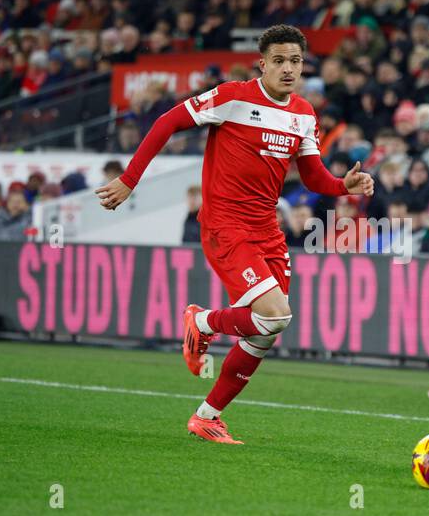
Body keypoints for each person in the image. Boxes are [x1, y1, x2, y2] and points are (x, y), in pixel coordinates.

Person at [95, 25, 374, 445]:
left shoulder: (303, 113)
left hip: (267, 230)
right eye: (278, 60)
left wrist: (341, 186)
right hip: (225, 225)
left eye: (295, 61)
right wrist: (130, 179)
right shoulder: (232, 97)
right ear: (262, 64)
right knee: (277, 313)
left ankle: (207, 416)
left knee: (266, 330)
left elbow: (313, 176)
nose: (287, 69)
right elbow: (167, 122)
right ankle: (203, 321)